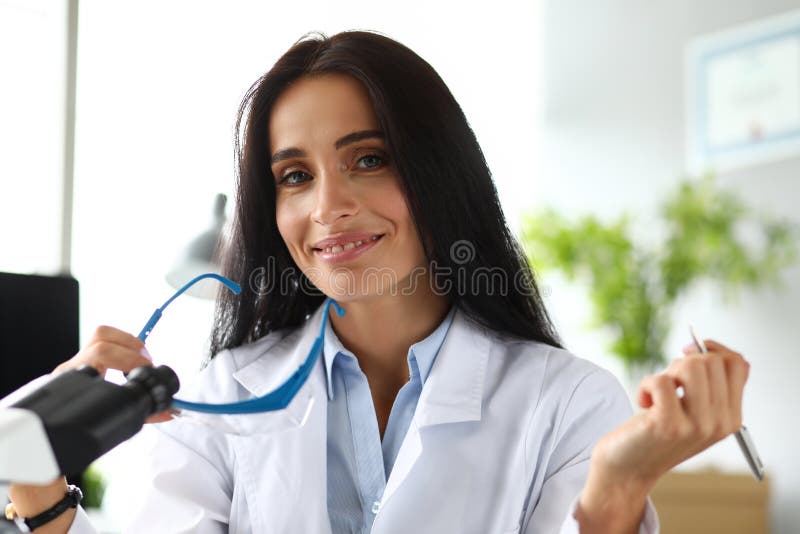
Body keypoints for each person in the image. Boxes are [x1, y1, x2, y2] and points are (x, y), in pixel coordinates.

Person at [7, 31, 750, 534]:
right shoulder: (224, 396)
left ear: (438, 172)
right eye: (295, 176)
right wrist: (36, 463)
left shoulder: (567, 400)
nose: (328, 207)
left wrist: (618, 488)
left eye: (369, 159)